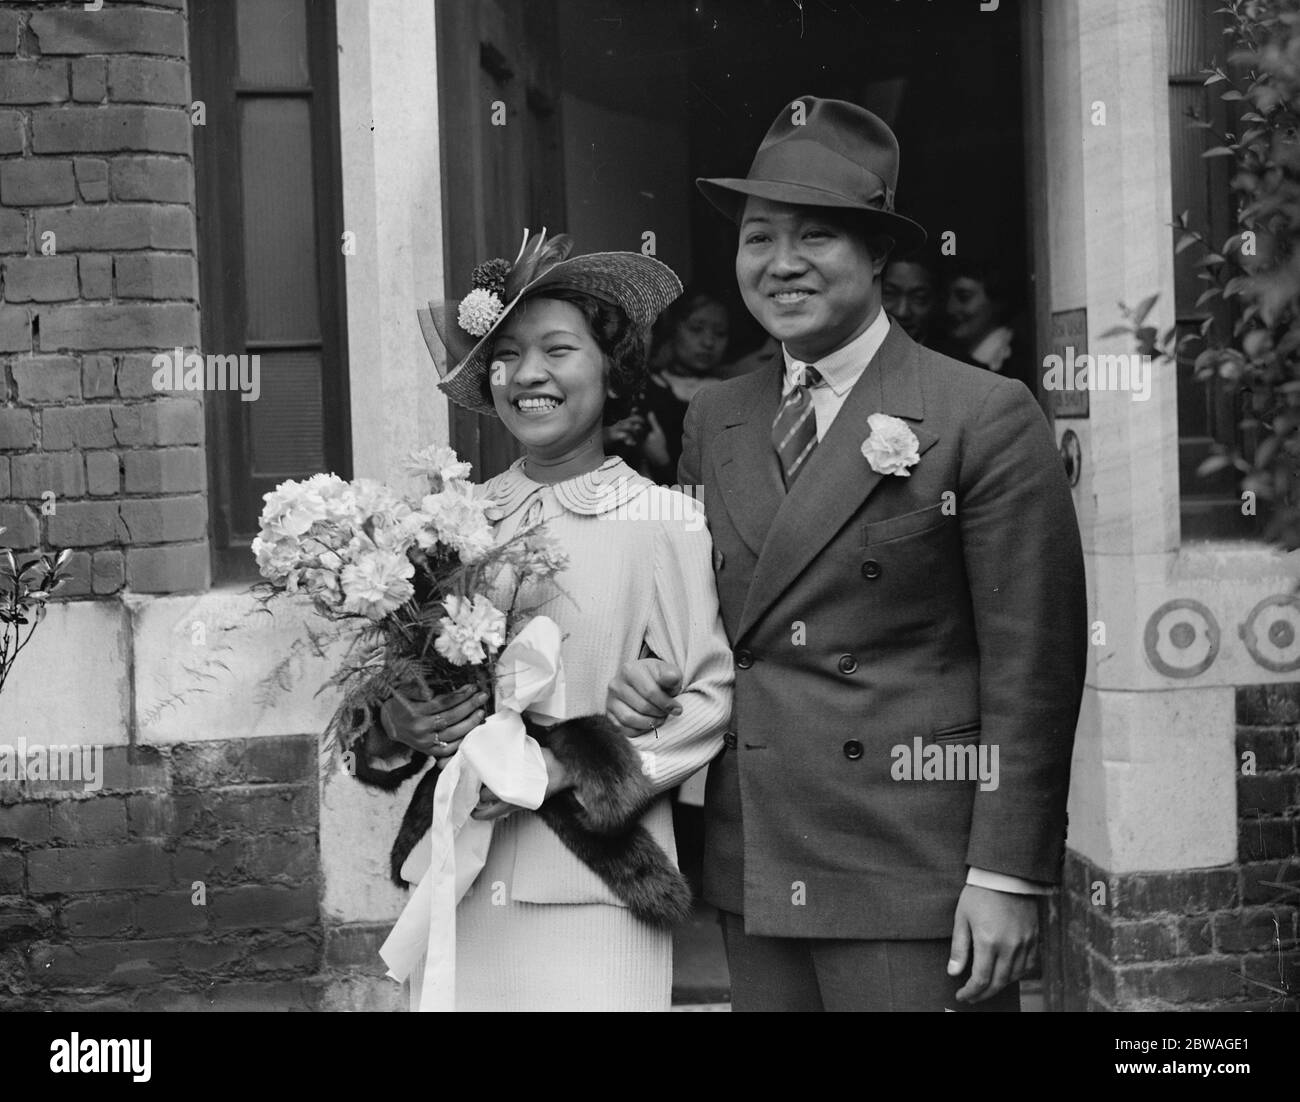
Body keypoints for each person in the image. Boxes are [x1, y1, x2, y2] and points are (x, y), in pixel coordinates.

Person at [607, 96, 1088, 1012]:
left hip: (917, 863)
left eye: (816, 237)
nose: (781, 264)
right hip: (755, 855)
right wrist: (652, 674)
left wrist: (1008, 873)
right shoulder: (719, 417)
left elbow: (1036, 668)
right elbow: (712, 617)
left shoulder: (982, 414)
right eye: (758, 238)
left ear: (876, 254)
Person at [361, 233, 733, 1011]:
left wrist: (572, 769)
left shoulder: (663, 520)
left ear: (612, 370)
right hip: (461, 870)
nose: (528, 374)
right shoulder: (452, 520)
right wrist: (399, 718)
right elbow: (403, 685)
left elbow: (705, 701)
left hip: (595, 882)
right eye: (505, 355)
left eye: (557, 350)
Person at [607, 286, 731, 485]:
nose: (708, 342)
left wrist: (662, 461)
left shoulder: (730, 396)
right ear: (674, 329)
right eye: (696, 329)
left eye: (720, 333)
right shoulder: (644, 389)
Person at [945, 258, 1025, 379]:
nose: (950, 309)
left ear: (996, 302)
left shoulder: (1018, 361)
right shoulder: (954, 356)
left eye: (964, 297)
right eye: (947, 297)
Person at [882, 252, 953, 353]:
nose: (901, 312)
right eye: (889, 293)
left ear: (938, 300)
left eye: (919, 298)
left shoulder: (961, 366)